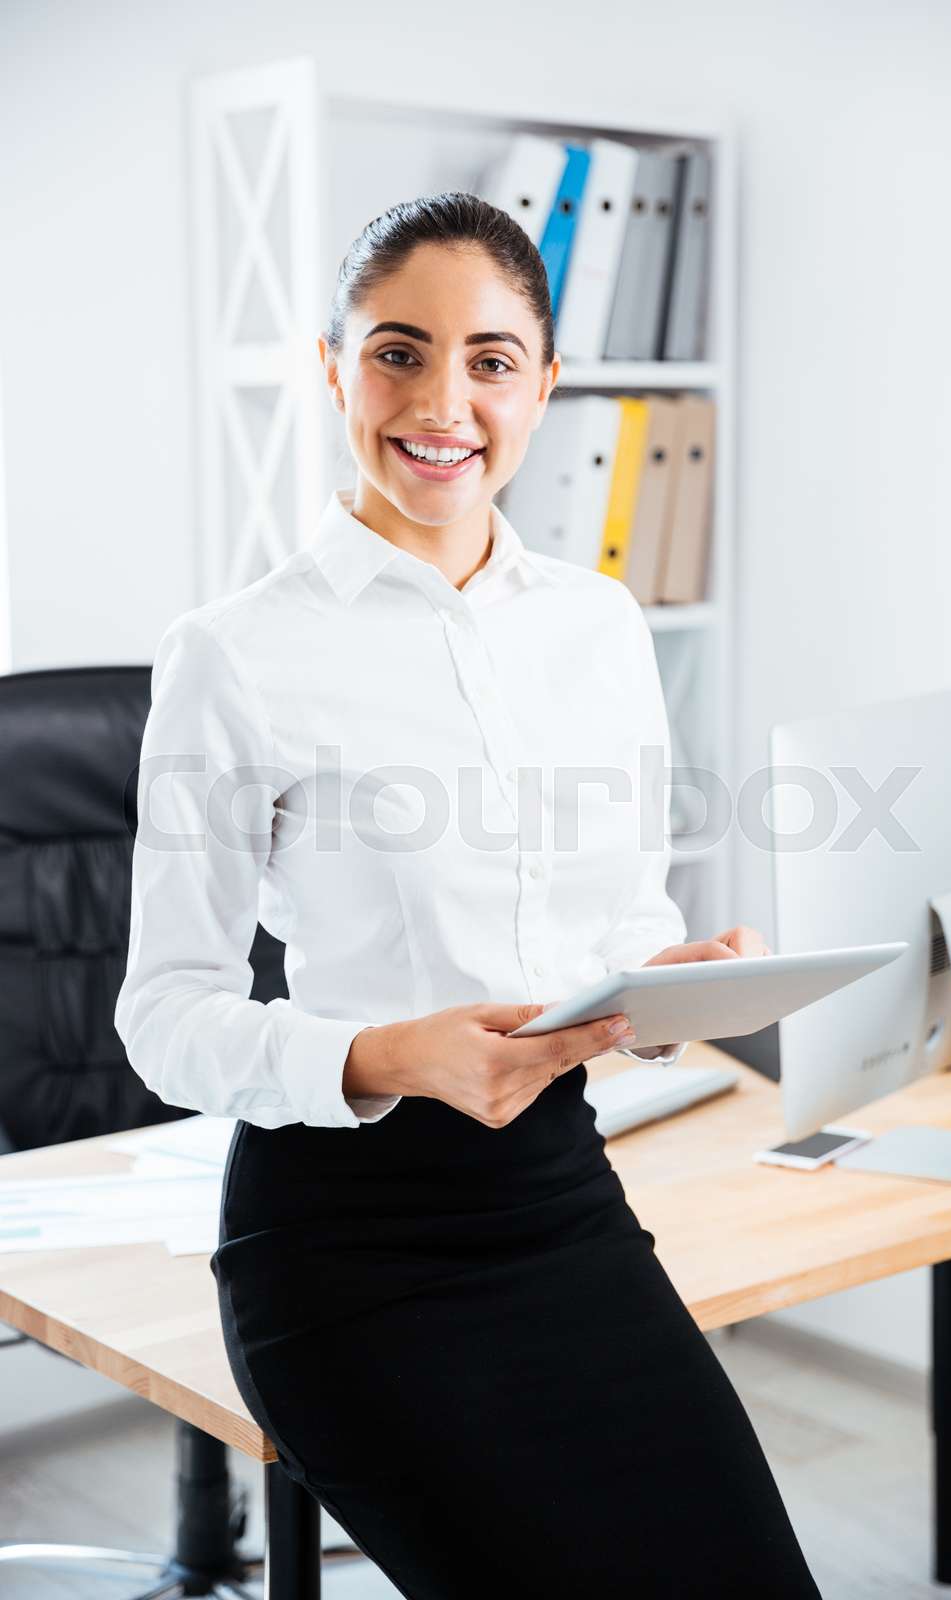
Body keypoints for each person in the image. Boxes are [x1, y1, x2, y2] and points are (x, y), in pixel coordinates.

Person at [115, 191, 822, 1599]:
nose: (443, 401)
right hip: (345, 1250)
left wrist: (668, 985)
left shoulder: (598, 627)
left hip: (561, 1207)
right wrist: (382, 1054)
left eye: (491, 360)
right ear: (333, 367)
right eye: (397, 351)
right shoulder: (236, 653)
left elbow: (613, 919)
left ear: (545, 387)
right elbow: (162, 1015)